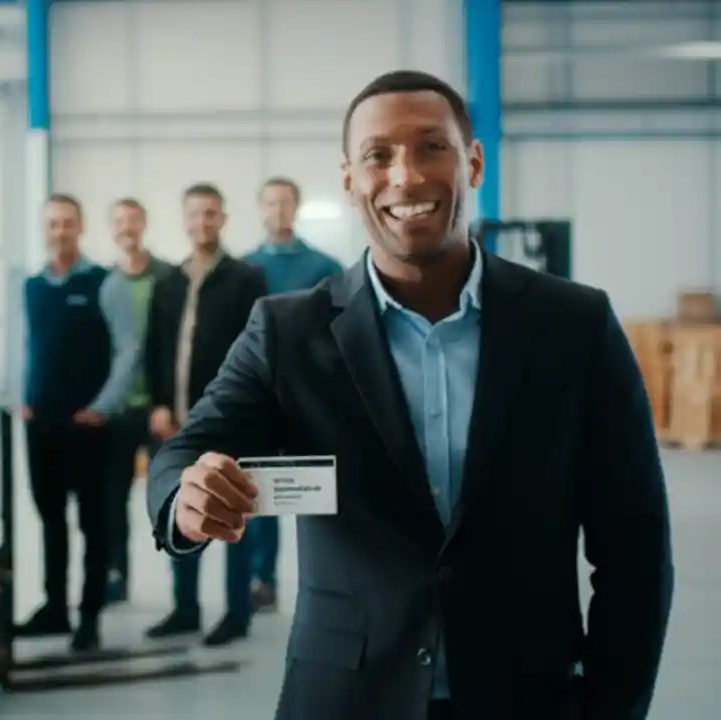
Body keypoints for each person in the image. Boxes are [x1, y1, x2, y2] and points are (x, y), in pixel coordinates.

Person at [147, 70, 673, 720]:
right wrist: (185, 497)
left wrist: (612, 708)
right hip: (345, 698)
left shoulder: (574, 326)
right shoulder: (288, 331)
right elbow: (191, 448)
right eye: (378, 155)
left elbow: (635, 548)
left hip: (528, 697)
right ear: (348, 177)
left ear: (472, 162)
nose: (405, 176)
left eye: (432, 147)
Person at [143, 183, 267, 647]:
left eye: (211, 214)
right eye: (195, 214)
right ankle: (186, 608)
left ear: (223, 219)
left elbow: (256, 353)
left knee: (233, 516)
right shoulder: (168, 281)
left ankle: (237, 614)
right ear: (185, 219)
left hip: (227, 423)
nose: (203, 222)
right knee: (181, 512)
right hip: (175, 423)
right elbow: (154, 347)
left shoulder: (246, 278)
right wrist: (158, 403)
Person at [242, 177, 344, 613]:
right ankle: (262, 579)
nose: (278, 210)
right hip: (262, 391)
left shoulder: (325, 266)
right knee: (261, 490)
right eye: (270, 203)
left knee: (319, 489)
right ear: (260, 209)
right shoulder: (245, 269)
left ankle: (325, 581)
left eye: (285, 203)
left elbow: (341, 330)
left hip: (313, 391)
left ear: (296, 207)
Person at [18, 193, 112, 652]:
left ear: (81, 227)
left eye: (68, 223)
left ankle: (89, 615)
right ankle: (55, 607)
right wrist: (23, 398)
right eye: (52, 224)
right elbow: (27, 346)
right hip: (41, 424)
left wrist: (102, 406)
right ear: (44, 229)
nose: (60, 231)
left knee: (93, 524)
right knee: (50, 520)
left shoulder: (102, 282)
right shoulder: (33, 286)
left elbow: (123, 351)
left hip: (87, 426)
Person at [77, 198, 174, 603]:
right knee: (113, 501)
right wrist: (100, 404)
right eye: (119, 221)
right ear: (111, 229)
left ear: (144, 223)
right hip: (117, 413)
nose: (127, 228)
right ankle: (119, 577)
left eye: (133, 219)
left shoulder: (169, 278)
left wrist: (167, 401)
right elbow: (106, 352)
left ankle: (180, 592)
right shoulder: (107, 285)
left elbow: (171, 348)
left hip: (158, 412)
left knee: (169, 497)